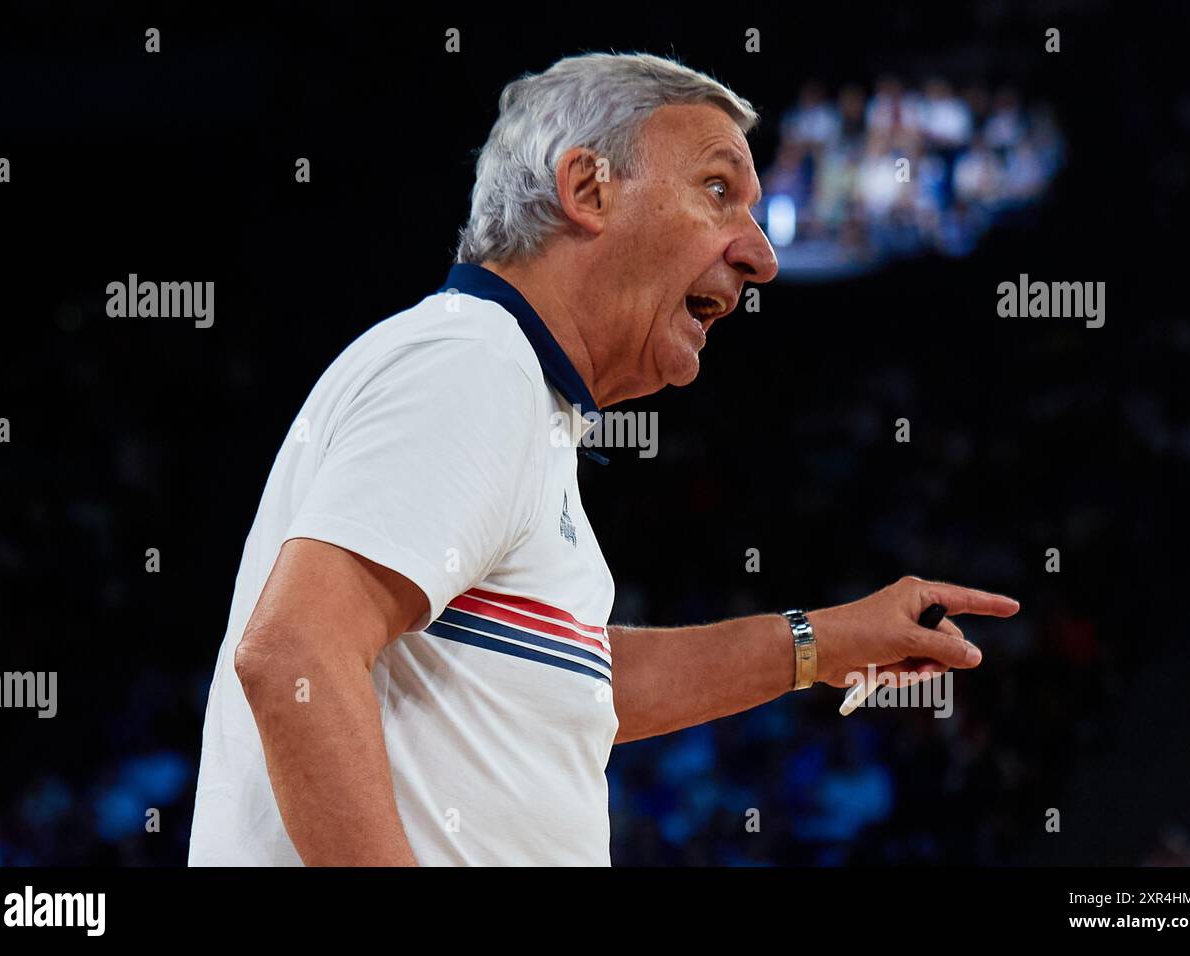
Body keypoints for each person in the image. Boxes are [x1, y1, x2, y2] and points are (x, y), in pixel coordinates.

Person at [187, 51, 1020, 867]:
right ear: (587, 190)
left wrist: (819, 643)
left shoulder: (506, 385)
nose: (762, 255)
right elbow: (296, 651)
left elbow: (573, 690)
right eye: (719, 191)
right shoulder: (472, 365)